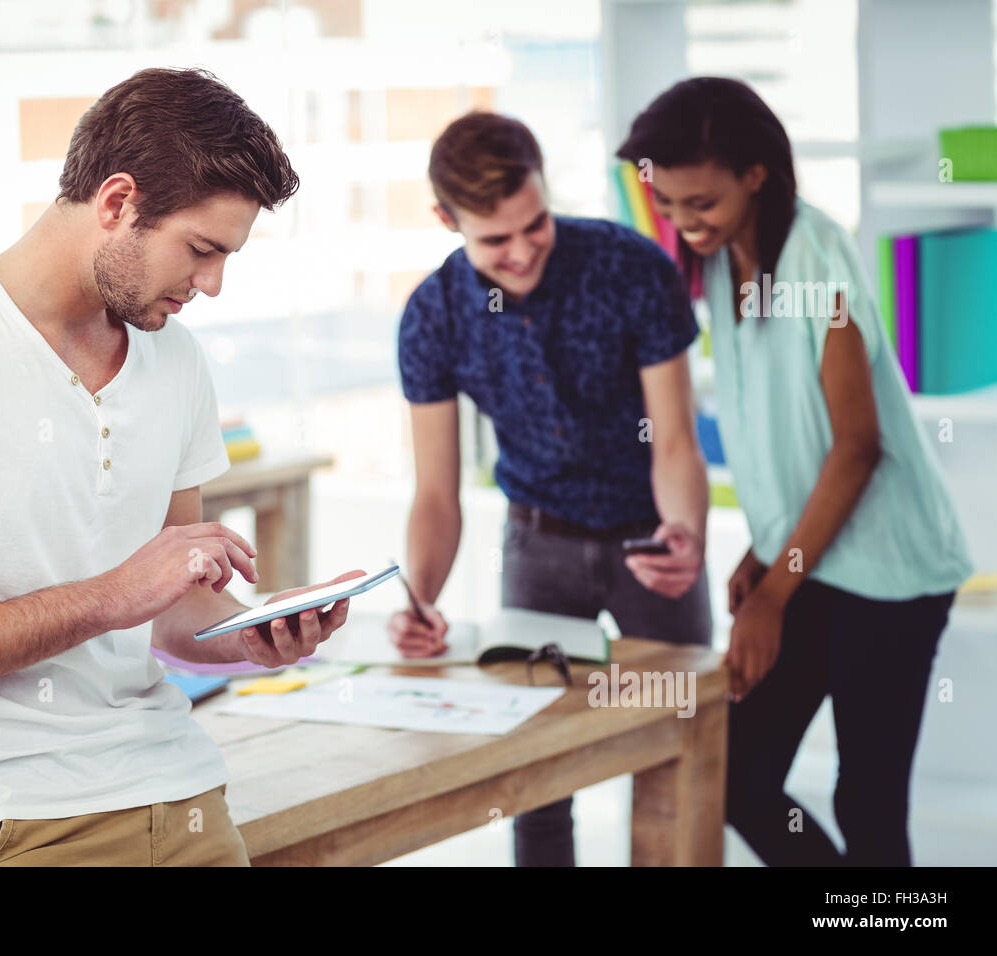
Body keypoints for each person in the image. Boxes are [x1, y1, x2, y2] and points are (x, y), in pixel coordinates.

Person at [0, 67, 363, 868]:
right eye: (202, 250)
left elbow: (175, 614)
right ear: (117, 204)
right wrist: (109, 598)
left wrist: (252, 634)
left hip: (179, 793)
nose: (211, 285)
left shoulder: (175, 362)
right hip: (2, 821)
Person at [618, 76, 973, 866]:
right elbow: (779, 429)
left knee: (868, 801)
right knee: (738, 774)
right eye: (670, 205)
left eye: (700, 203)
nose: (684, 222)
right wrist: (766, 548)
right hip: (812, 556)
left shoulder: (817, 254)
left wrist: (776, 589)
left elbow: (856, 445)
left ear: (756, 175)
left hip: (892, 570)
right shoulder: (714, 264)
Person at [392, 111, 712, 867]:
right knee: (534, 781)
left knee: (679, 750)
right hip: (537, 546)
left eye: (534, 224)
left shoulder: (633, 266)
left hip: (648, 539)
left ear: (545, 190)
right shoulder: (431, 317)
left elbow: (673, 439)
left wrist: (685, 533)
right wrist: (421, 600)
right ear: (447, 220)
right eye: (494, 239)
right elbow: (436, 494)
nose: (523, 249)